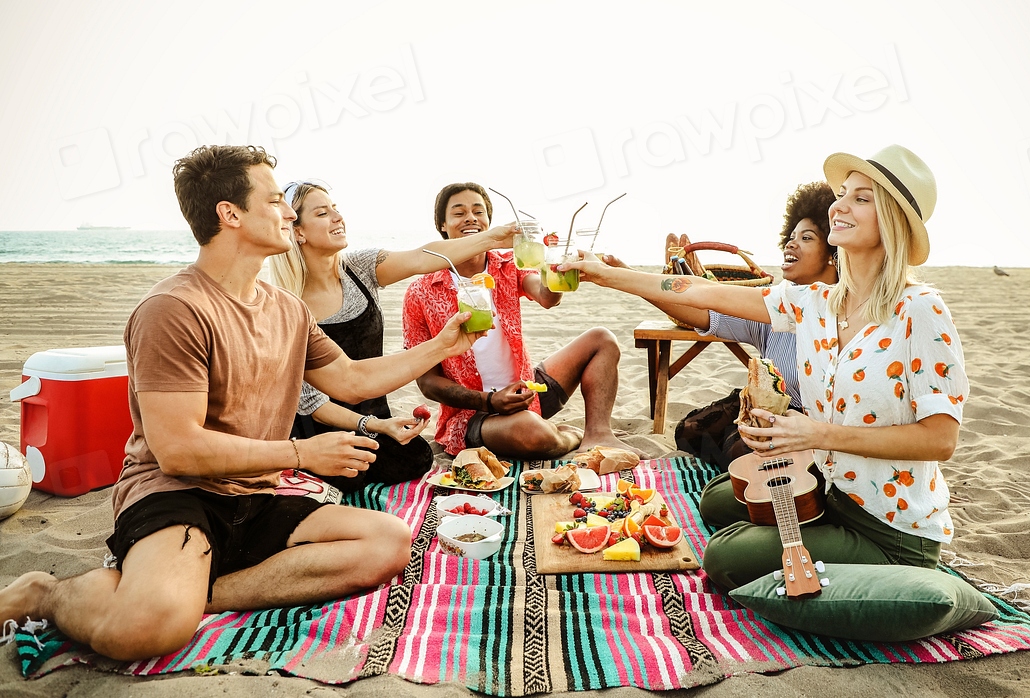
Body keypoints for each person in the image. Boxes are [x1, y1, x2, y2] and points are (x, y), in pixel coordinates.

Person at [0, 145, 482, 661]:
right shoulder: (174, 309)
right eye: (276, 200)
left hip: (255, 490)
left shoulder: (287, 310)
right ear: (230, 214)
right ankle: (45, 592)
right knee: (143, 631)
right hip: (178, 492)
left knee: (388, 543)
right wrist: (301, 456)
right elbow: (179, 451)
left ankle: (197, 593)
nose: (290, 212)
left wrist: (443, 345)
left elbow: (351, 378)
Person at [562, 145, 968, 592]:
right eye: (843, 192)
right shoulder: (813, 302)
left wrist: (815, 434)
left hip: (891, 528)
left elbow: (941, 440)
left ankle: (888, 571)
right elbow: (700, 293)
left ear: (890, 219)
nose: (840, 205)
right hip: (832, 496)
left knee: (724, 558)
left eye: (862, 198)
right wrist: (608, 275)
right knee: (720, 502)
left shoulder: (920, 309)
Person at [269, 179, 518, 489]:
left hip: (376, 416)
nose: (337, 217)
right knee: (348, 476)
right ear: (298, 230)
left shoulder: (359, 267)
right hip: (320, 426)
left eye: (335, 209)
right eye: (322, 213)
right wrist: (370, 425)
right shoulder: (285, 302)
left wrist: (493, 238)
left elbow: (424, 256)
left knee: (416, 458)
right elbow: (311, 402)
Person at [602, 181, 838, 468]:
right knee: (689, 432)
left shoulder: (842, 312)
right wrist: (631, 279)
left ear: (832, 253)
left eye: (807, 238)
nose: (791, 243)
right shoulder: (772, 309)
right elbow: (701, 313)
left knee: (739, 452)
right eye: (790, 236)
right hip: (764, 405)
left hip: (809, 424)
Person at [402, 182, 643, 460]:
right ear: (442, 225)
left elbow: (546, 297)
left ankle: (599, 433)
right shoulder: (420, 292)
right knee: (532, 432)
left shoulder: (508, 264)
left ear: (488, 223)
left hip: (528, 392)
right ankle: (572, 435)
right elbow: (427, 383)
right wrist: (490, 400)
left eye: (478, 211)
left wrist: (556, 265)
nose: (470, 217)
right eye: (459, 213)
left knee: (602, 339)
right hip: (475, 413)